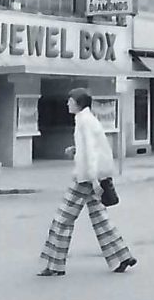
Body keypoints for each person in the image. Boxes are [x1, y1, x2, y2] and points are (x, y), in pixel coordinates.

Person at [38, 87, 137, 277]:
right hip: (94, 176)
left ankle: (55, 265)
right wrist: (76, 150)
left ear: (78, 103)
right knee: (100, 220)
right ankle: (122, 255)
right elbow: (93, 149)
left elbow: (91, 154)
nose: (67, 103)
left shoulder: (83, 122)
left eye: (70, 100)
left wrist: (93, 180)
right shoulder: (89, 120)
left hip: (86, 178)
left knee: (62, 220)